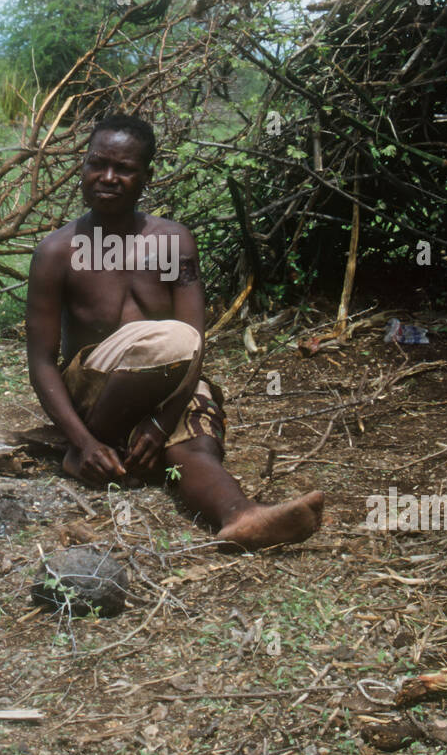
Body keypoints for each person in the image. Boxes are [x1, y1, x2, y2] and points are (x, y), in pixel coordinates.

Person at [25, 114, 324, 551]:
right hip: (94, 390)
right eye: (97, 164)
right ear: (83, 167)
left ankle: (239, 516)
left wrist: (162, 424)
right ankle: (98, 446)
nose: (107, 177)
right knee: (169, 342)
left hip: (170, 386)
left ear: (147, 176)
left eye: (124, 169)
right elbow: (41, 362)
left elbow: (194, 342)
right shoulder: (58, 251)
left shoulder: (170, 241)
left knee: (195, 443)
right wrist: (84, 440)